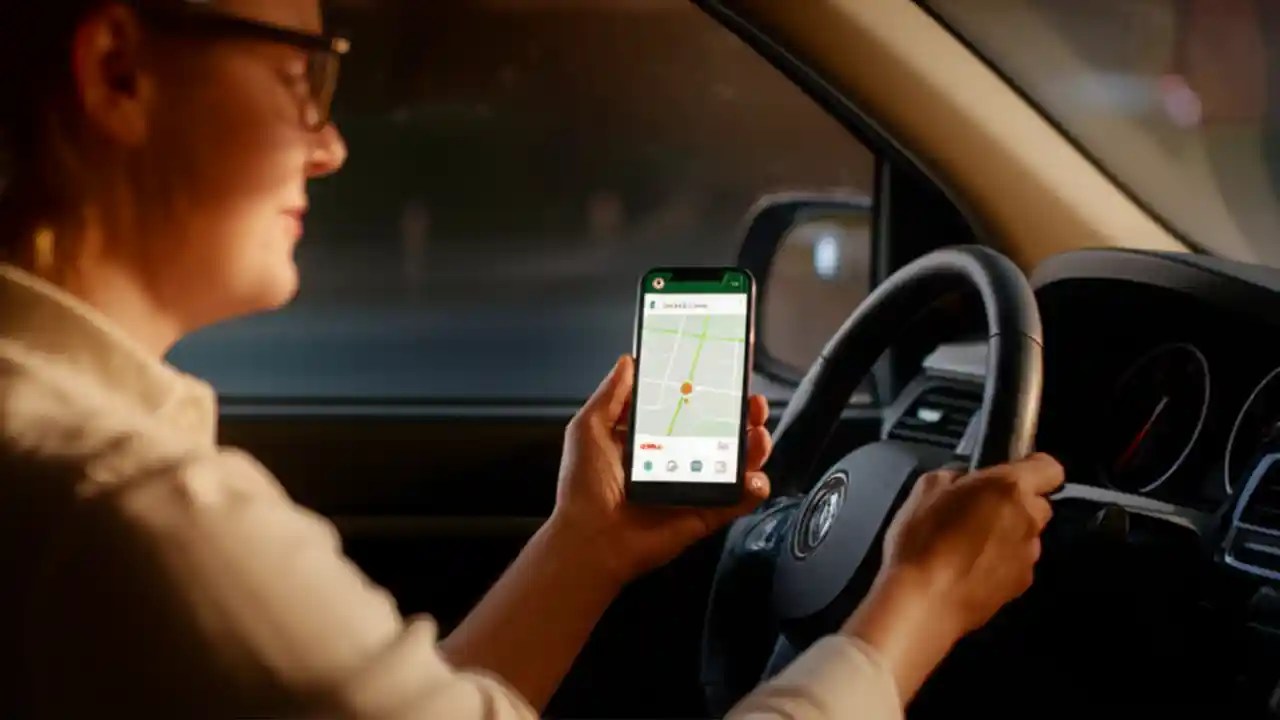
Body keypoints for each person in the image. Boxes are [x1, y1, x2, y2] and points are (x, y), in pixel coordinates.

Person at [0, 1, 1065, 718]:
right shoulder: (130, 512)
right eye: (299, 78)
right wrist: (909, 609)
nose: (328, 146)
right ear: (119, 71)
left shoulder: (67, 470)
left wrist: (582, 550)